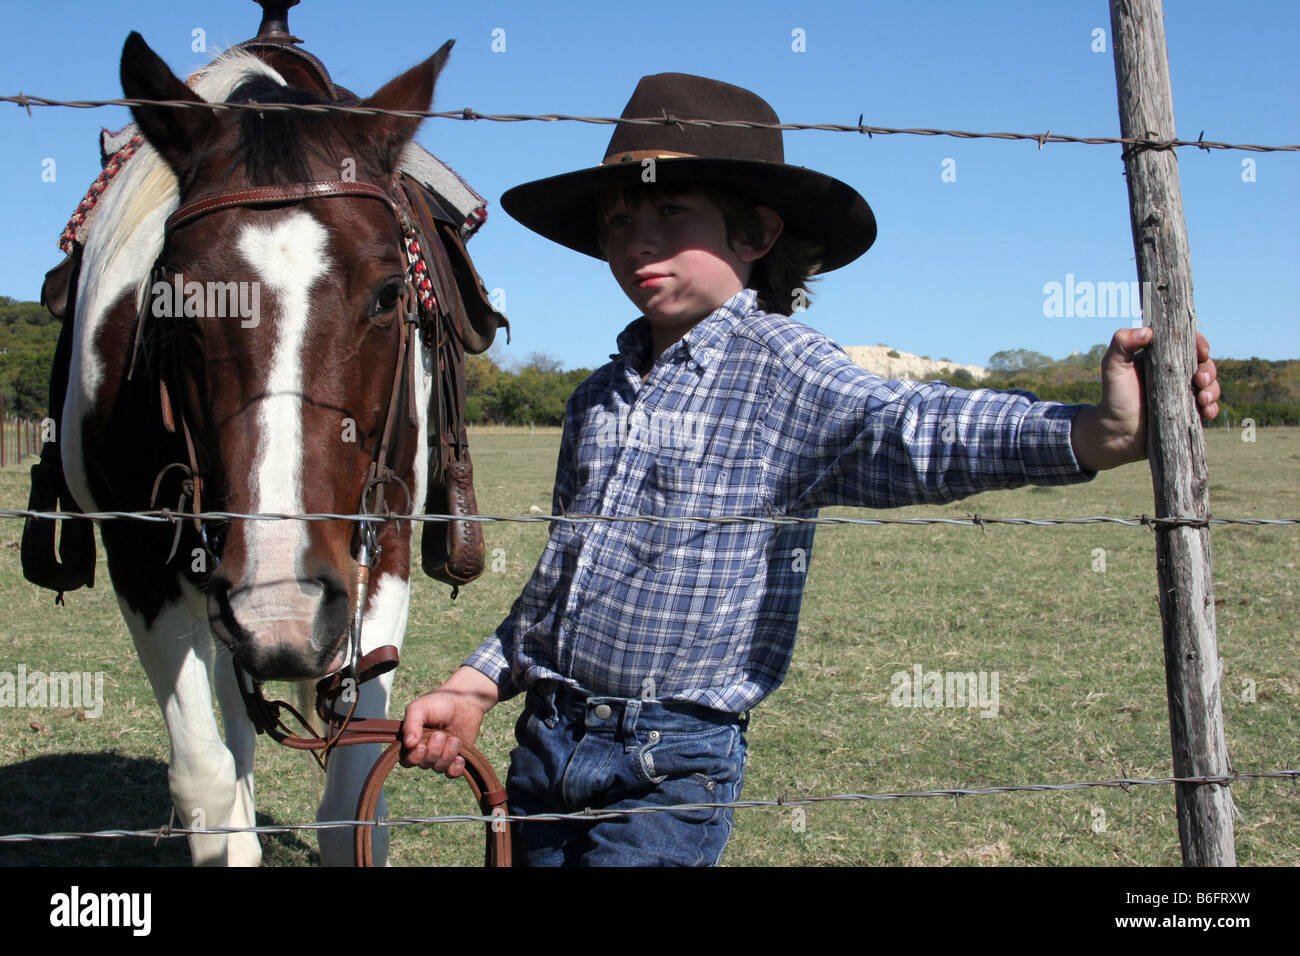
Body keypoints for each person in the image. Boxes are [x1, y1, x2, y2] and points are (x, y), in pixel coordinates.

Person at [400, 73, 1221, 866]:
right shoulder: (597, 398)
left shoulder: (786, 372)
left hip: (669, 759)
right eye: (617, 221)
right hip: (547, 740)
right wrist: (477, 683)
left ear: (755, 236)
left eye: (670, 210)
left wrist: (1095, 431)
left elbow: (918, 430)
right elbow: (561, 581)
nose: (636, 240)